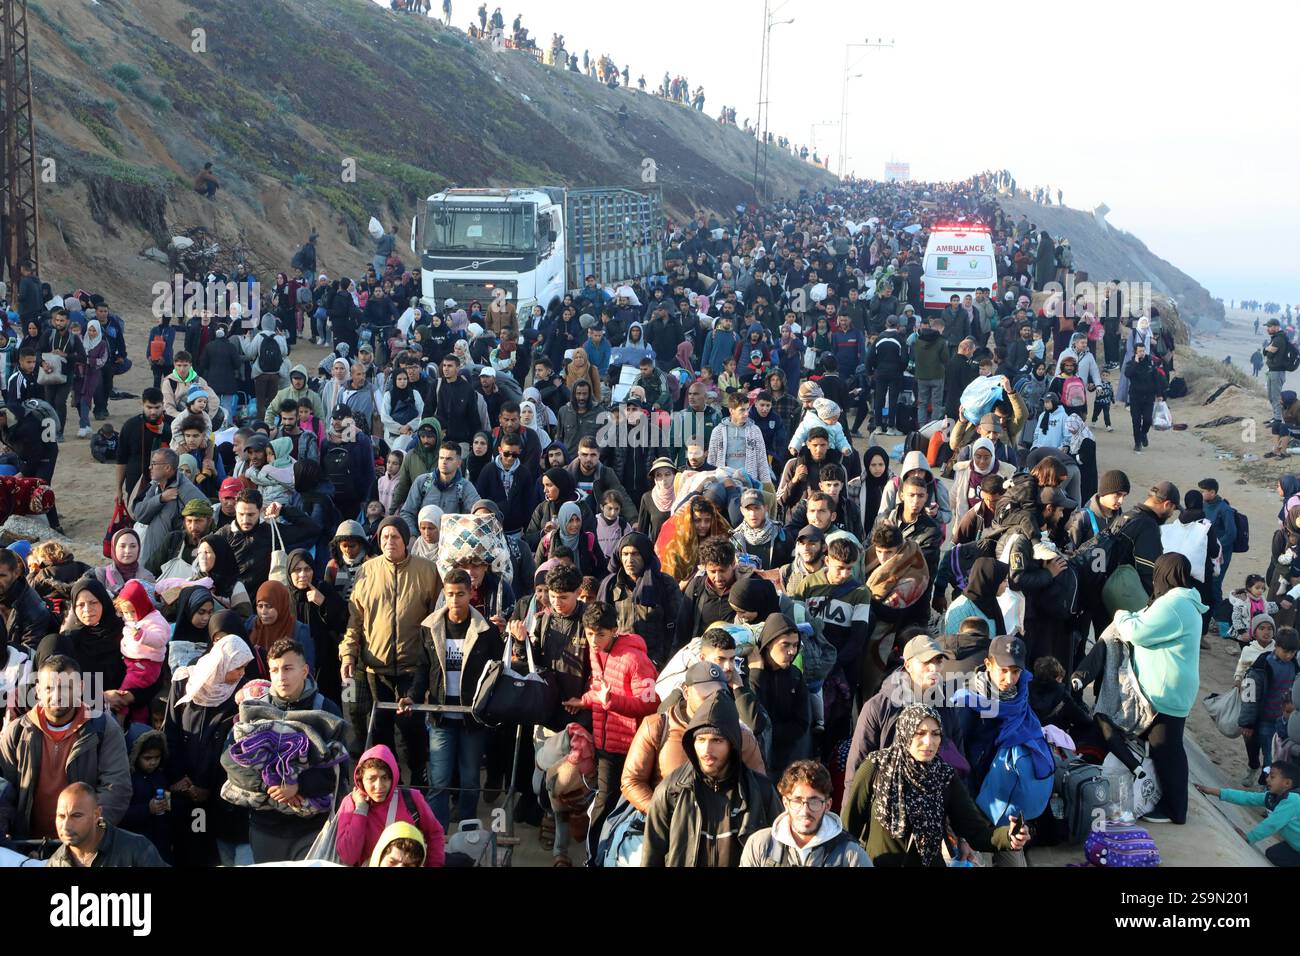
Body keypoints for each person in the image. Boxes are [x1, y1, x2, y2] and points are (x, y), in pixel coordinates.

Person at [842, 704, 1029, 867]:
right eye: (920, 733)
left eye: (935, 734)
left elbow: (975, 831)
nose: (928, 742)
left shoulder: (944, 775)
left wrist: (1009, 836)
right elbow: (848, 828)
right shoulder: (876, 767)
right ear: (905, 732)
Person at [341, 517, 442, 788]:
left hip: (413, 665)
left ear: (406, 539)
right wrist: (348, 654)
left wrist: (433, 661)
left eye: (395, 536)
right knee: (382, 727)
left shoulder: (428, 571)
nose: (389, 542)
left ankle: (419, 774)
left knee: (412, 728)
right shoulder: (366, 571)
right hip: (376, 666)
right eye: (384, 537)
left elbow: (436, 618)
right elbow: (355, 620)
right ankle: (390, 780)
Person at [229, 639, 349, 863]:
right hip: (265, 826)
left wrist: (298, 785)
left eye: (288, 668)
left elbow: (339, 772)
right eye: (274, 670)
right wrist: (269, 785)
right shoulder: (254, 709)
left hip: (311, 828)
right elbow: (231, 761)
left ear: (305, 671)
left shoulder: (326, 709)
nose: (281, 677)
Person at [1110, 554, 1206, 825]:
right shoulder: (1181, 601)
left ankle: (1175, 810)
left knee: (1168, 749)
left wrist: (1120, 614)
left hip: (1168, 692)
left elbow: (1137, 632)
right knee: (1164, 748)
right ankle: (1168, 802)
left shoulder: (1175, 605)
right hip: (1172, 688)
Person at [563, 601, 658, 858]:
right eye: (589, 633)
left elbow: (650, 704)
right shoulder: (597, 653)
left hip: (630, 748)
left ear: (614, 630)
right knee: (605, 802)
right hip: (605, 744)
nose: (593, 640)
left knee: (617, 805)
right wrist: (585, 700)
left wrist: (612, 702)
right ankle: (597, 855)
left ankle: (602, 855)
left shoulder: (635, 659)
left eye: (600, 635)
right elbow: (600, 687)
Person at [640, 691, 780, 866]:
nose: (706, 750)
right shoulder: (671, 791)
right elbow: (652, 857)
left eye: (717, 740)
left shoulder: (761, 791)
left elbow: (781, 850)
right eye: (701, 739)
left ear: (733, 743)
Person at [0, 655, 131, 839]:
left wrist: (85, 836)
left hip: (83, 847)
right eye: (49, 688)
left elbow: (116, 789)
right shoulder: (17, 732)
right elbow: (5, 788)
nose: (56, 696)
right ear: (37, 690)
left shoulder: (104, 729)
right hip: (26, 845)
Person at [739, 759, 871, 866]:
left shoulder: (851, 855)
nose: (805, 811)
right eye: (797, 801)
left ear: (828, 805)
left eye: (814, 802)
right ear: (785, 803)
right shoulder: (760, 845)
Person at [336, 744, 445, 867]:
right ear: (360, 779)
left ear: (394, 777)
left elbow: (435, 833)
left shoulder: (411, 798)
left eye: (385, 778)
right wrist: (361, 810)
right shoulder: (351, 803)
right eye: (371, 778)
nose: (379, 786)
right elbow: (348, 857)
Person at [595, 531, 681, 668]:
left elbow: (677, 627)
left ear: (645, 556)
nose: (629, 560)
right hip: (620, 664)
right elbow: (600, 628)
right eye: (625, 554)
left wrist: (665, 663)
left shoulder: (665, 584)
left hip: (656, 663)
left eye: (635, 554)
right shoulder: (610, 586)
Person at [1195, 761, 1300, 867]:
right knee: (1272, 854)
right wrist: (1215, 791)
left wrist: (1249, 838)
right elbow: (1247, 797)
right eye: (1268, 776)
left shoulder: (1293, 800)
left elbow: (1272, 824)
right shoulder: (1271, 797)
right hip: (1294, 845)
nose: (1267, 779)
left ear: (1287, 783)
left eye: (1272, 777)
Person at [47, 782, 167, 867]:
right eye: (61, 816)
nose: (66, 826)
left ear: (96, 815)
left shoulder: (137, 850)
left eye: (76, 816)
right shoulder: (56, 862)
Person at [749, 612, 811, 777]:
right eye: (785, 645)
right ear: (768, 644)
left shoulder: (795, 676)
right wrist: (755, 674)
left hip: (787, 760)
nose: (792, 651)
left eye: (795, 645)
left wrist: (771, 733)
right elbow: (751, 719)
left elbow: (801, 724)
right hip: (755, 760)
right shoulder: (750, 674)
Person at [1238, 626, 1299, 786]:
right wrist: (1248, 722)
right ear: (1276, 646)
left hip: (1279, 722)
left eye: (1292, 652)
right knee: (1253, 749)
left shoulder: (1294, 667)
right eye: (1286, 651)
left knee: (1270, 758)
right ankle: (1252, 767)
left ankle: (1265, 785)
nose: (1289, 655)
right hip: (1260, 718)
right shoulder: (1262, 665)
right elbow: (1249, 696)